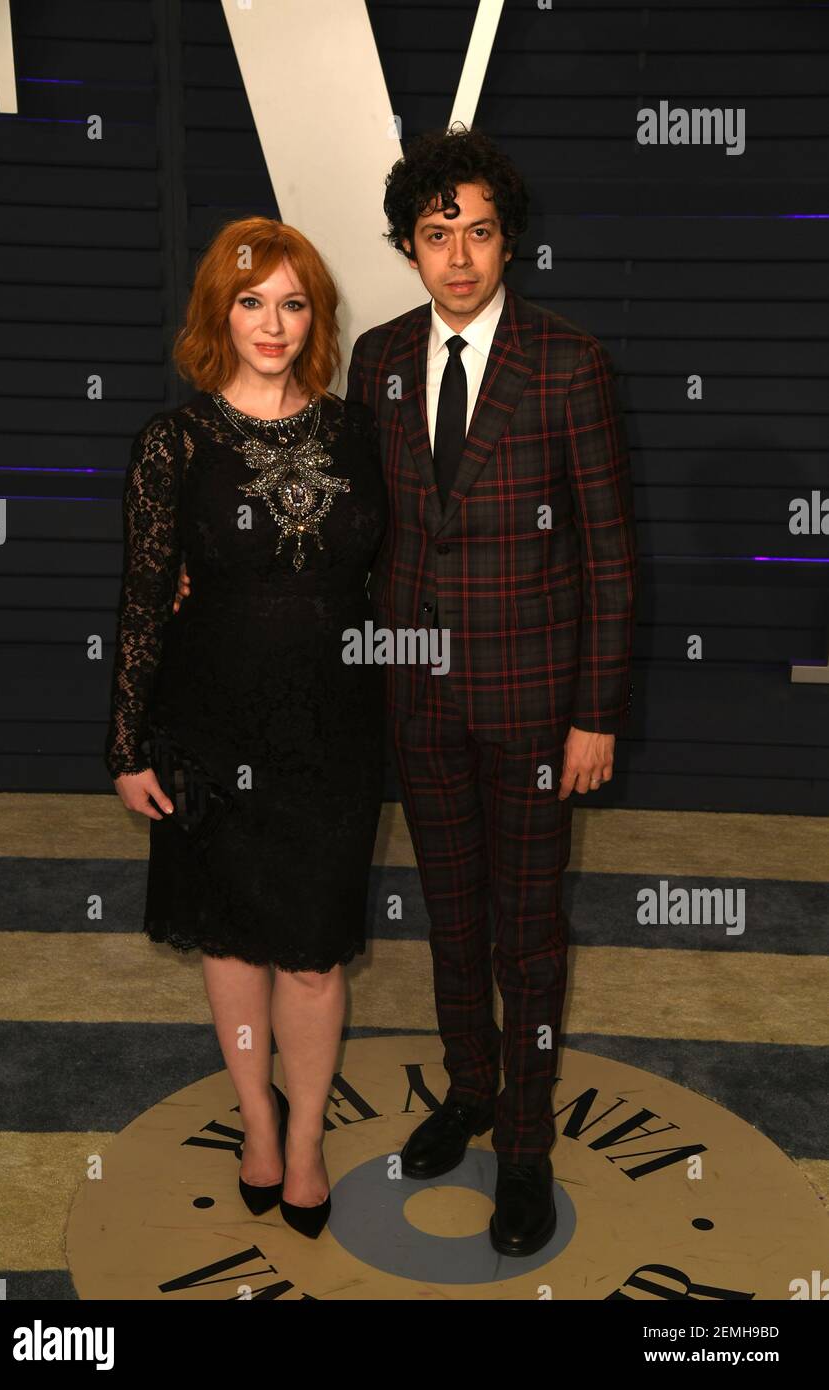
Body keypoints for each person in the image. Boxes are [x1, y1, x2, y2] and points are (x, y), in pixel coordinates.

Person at [346, 124, 638, 1256]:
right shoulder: (375, 359)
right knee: (450, 923)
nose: (457, 256)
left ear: (507, 239)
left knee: (530, 938)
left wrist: (594, 712)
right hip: (416, 703)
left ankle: (522, 1142)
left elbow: (608, 555)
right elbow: (359, 533)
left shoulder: (567, 362)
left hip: (534, 709)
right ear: (407, 247)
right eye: (434, 234)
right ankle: (468, 1087)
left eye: (476, 231)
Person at [104, 216, 388, 1240]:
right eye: (251, 300)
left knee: (312, 954)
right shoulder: (172, 443)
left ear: (316, 315)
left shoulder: (361, 433)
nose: (272, 322)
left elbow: (396, 574)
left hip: (333, 729)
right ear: (218, 313)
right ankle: (255, 1117)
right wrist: (127, 744)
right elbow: (141, 600)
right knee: (228, 938)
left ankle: (306, 1138)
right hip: (209, 725)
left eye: (292, 301)